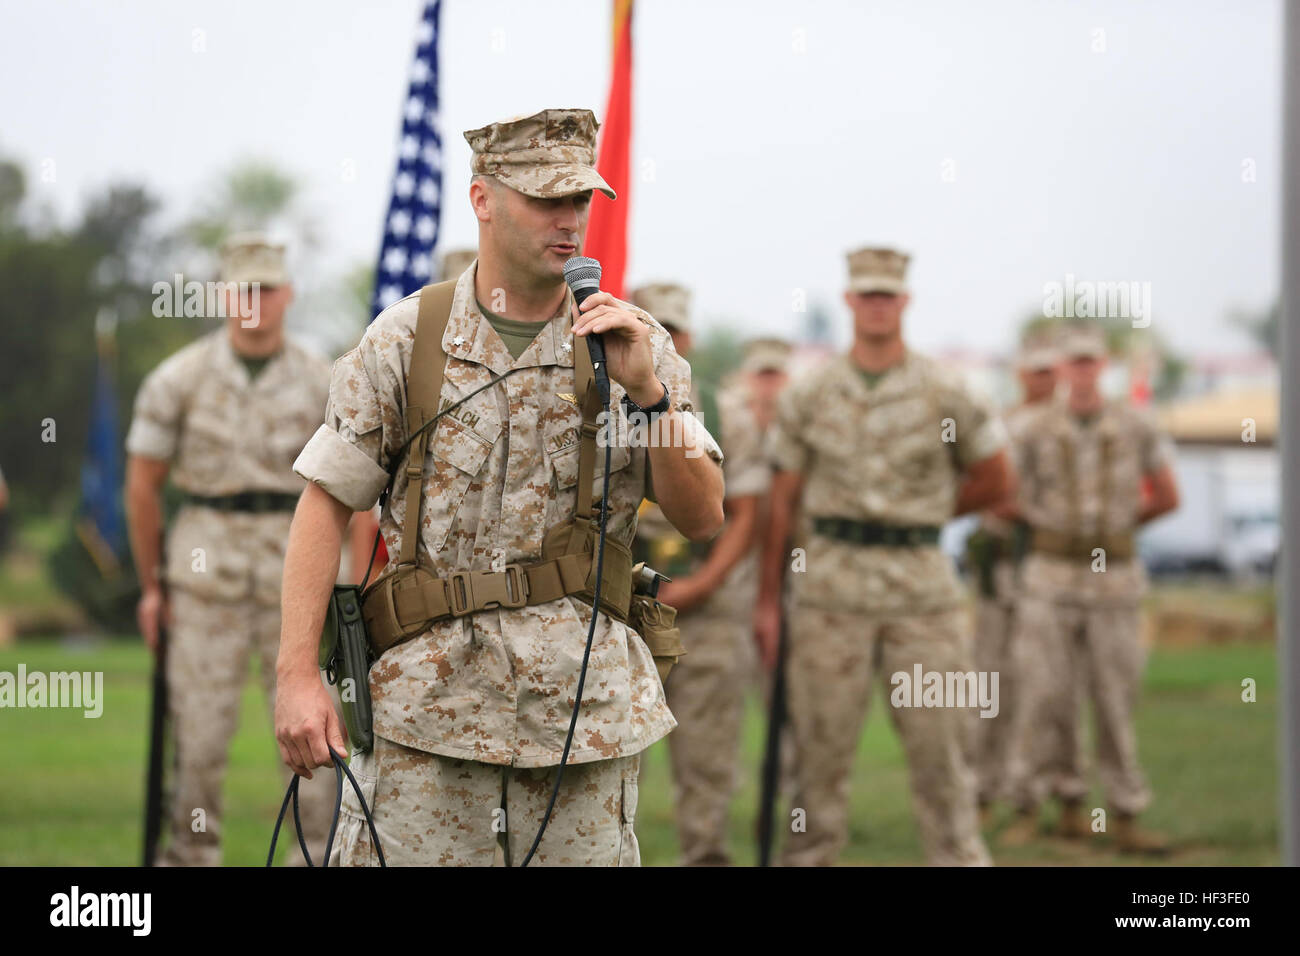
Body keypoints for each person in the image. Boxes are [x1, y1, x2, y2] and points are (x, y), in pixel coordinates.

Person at [276, 107, 725, 866]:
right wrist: (295, 676)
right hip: (426, 718)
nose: (569, 220)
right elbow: (324, 504)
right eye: (546, 199)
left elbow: (702, 513)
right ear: (482, 199)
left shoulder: (633, 341)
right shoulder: (407, 339)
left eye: (580, 200)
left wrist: (649, 396)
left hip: (584, 724)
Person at [756, 246, 1009, 866]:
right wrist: (768, 603)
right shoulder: (810, 393)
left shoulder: (947, 390)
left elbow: (998, 480)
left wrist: (921, 516)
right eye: (865, 293)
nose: (876, 305)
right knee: (816, 762)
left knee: (942, 758)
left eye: (886, 294)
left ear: (905, 301)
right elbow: (781, 503)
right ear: (848, 300)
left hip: (922, 596)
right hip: (829, 594)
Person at [124, 233, 337, 865]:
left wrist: (350, 580)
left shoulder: (322, 377)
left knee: (314, 739)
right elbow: (142, 486)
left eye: (266, 290)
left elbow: (353, 484)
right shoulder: (179, 378)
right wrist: (153, 588)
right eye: (242, 290)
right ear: (222, 295)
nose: (254, 303)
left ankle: (315, 857)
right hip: (204, 582)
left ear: (287, 295)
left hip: (295, 578)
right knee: (198, 744)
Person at [1006, 323, 1179, 853]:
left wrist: (1117, 531)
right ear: (1058, 369)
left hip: (1115, 583)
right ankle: (1049, 807)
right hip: (1050, 578)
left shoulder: (1136, 424)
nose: (1081, 371)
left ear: (1104, 366)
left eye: (1089, 362)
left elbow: (1168, 495)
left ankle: (1124, 814)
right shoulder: (1032, 428)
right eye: (1071, 362)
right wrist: (1045, 527)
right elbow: (1002, 493)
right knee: (1045, 695)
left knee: (1114, 698)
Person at [629, 283, 768, 866]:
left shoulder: (725, 410)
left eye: (676, 329)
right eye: (653, 323)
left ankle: (705, 855)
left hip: (709, 615)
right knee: (608, 759)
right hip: (625, 610)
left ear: (688, 337)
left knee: (708, 760)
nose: (666, 337)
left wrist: (703, 585)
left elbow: (747, 512)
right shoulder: (604, 401)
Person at [968, 332, 1059, 837]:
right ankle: (984, 793)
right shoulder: (1001, 423)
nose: (1042, 379)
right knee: (990, 687)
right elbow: (984, 486)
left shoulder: (1069, 427)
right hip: (1000, 568)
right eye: (1034, 369)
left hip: (1051, 568)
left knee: (1042, 688)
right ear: (1020, 373)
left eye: (1050, 370)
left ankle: (1034, 798)